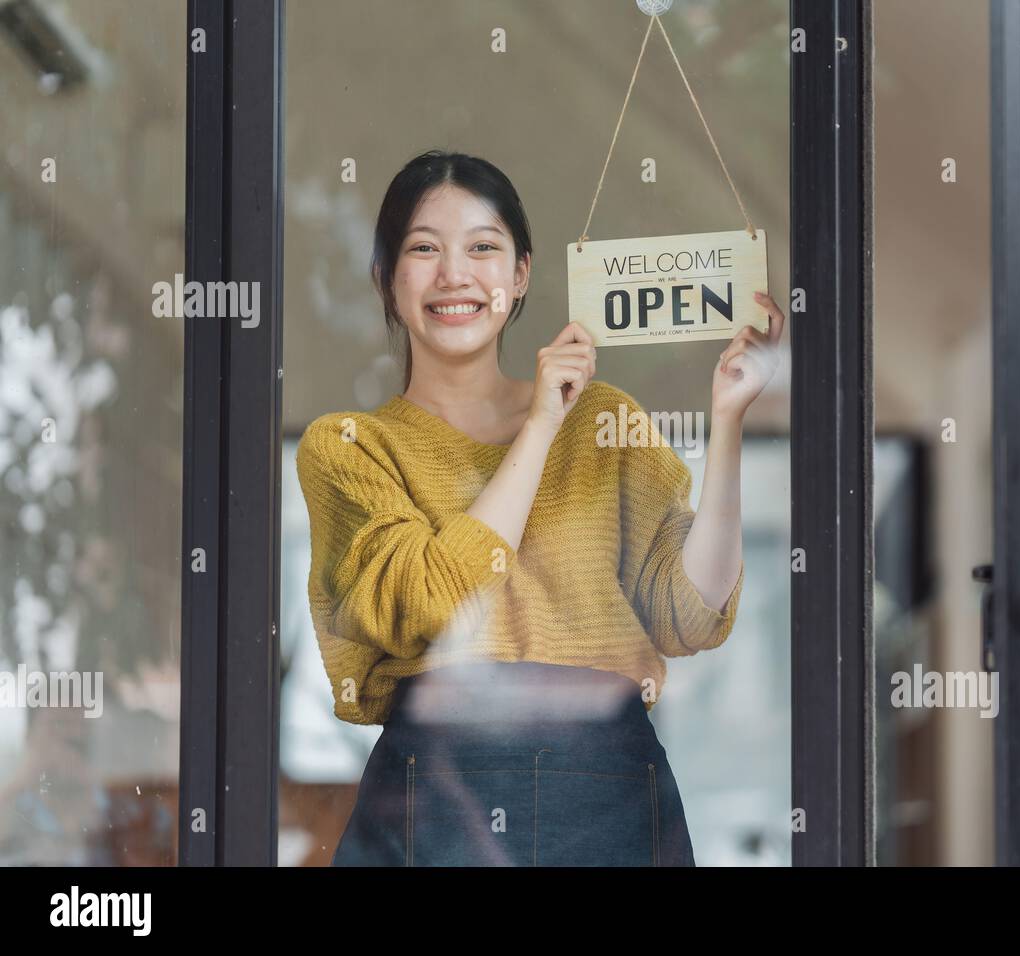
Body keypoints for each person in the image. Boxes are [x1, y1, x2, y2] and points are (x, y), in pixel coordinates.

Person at [295, 149, 783, 866]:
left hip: (607, 786)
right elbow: (435, 599)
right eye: (423, 248)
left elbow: (688, 612)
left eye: (483, 249)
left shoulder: (604, 419)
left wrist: (731, 417)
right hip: (438, 785)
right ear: (386, 280)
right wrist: (541, 426)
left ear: (521, 274)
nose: (454, 274)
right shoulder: (349, 447)